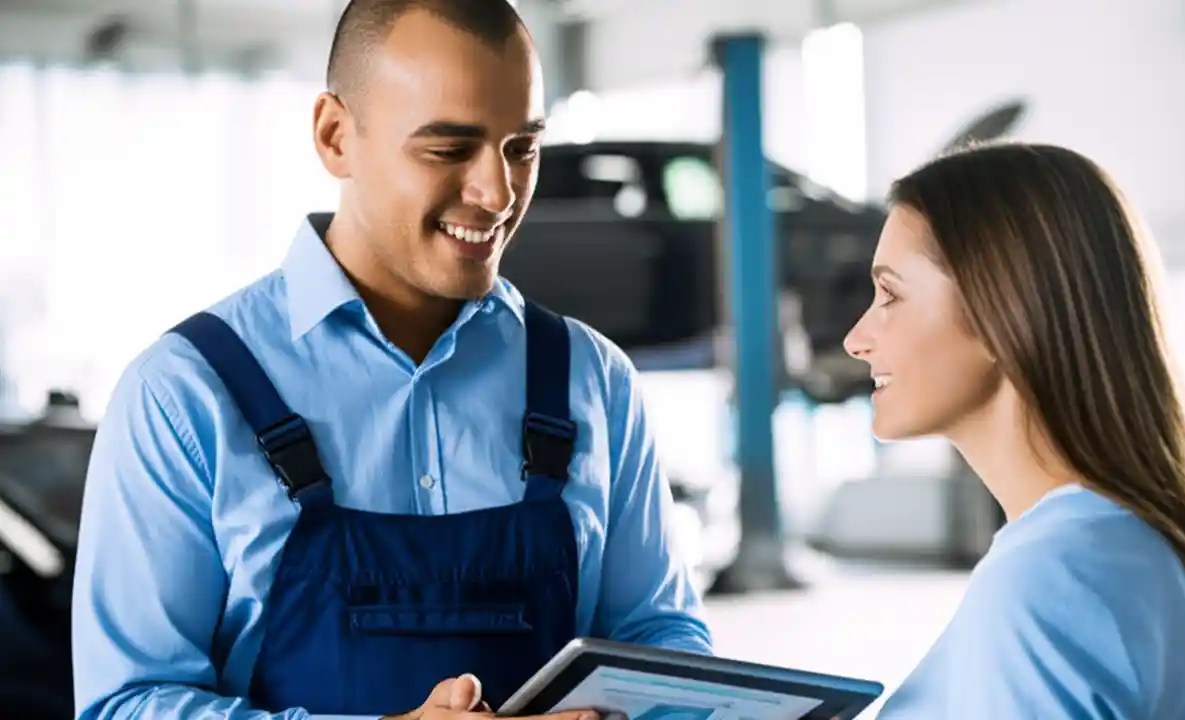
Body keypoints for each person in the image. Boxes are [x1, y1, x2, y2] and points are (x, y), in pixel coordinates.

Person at [70, 1, 712, 718]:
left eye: (522, 148)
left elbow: (660, 639)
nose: (496, 194)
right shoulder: (184, 394)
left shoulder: (592, 380)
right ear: (336, 136)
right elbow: (124, 705)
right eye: (448, 149)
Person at [843, 142, 1185, 719]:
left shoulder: (1052, 575)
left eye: (890, 294)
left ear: (1002, 312)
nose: (856, 338)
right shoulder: (1130, 547)